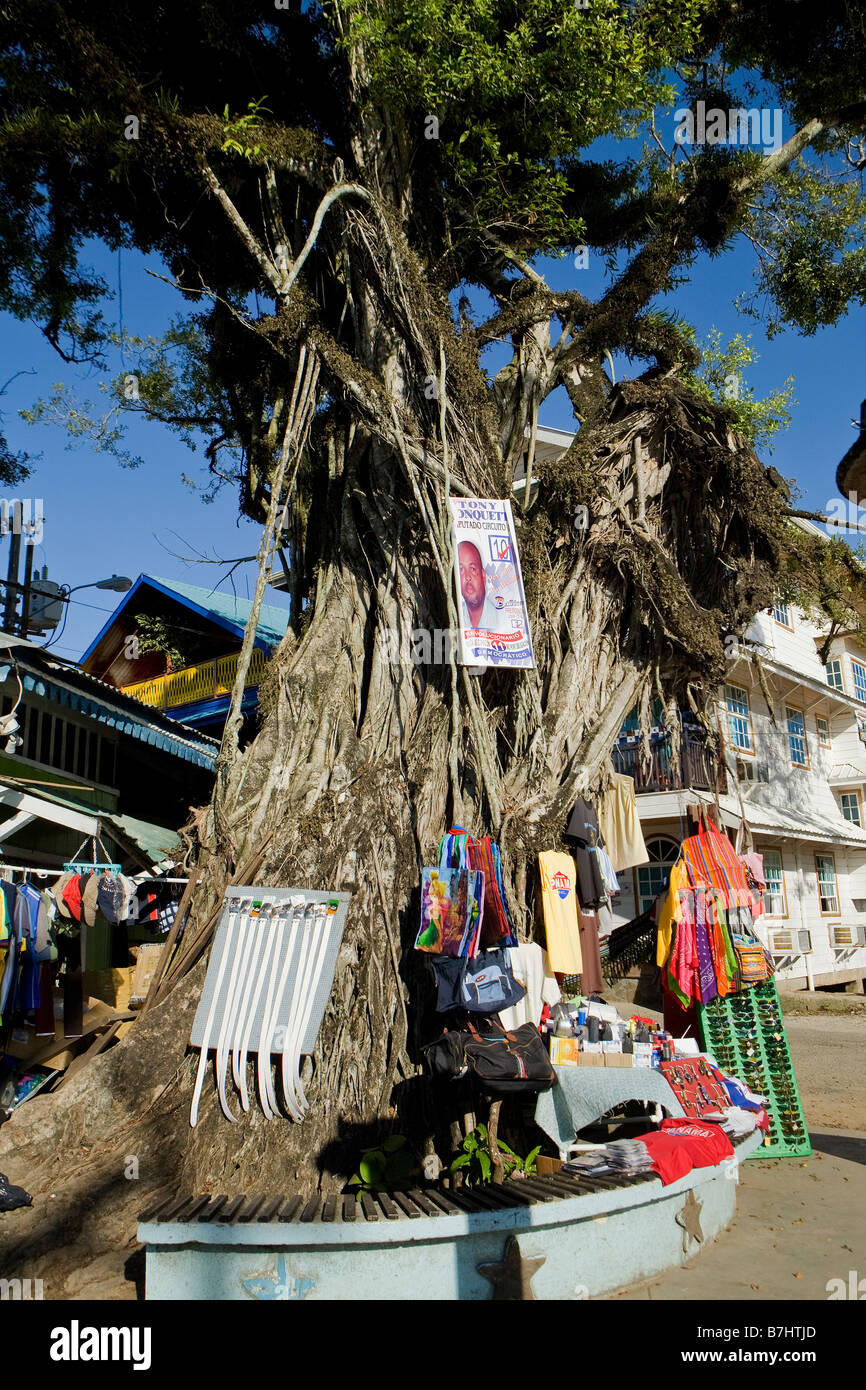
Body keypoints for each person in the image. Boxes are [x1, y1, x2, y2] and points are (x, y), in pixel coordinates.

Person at [458, 541, 513, 635]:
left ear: (483, 576)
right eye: (461, 570)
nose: (467, 576)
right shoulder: (458, 617)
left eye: (473, 569)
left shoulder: (500, 618)